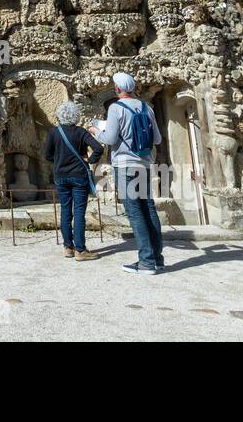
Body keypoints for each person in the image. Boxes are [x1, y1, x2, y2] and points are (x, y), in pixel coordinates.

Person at [88, 72, 164, 274]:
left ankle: (146, 262)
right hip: (145, 164)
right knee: (148, 208)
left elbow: (111, 138)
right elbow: (157, 139)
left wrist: (96, 131)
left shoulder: (115, 108)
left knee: (134, 211)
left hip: (125, 165)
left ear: (117, 89)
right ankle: (157, 257)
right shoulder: (146, 107)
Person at [43, 100, 103, 261]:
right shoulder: (81, 132)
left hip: (60, 177)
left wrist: (58, 161)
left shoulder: (54, 132)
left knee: (65, 211)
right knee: (79, 212)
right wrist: (90, 161)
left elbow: (47, 155)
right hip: (79, 177)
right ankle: (80, 250)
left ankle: (68, 247)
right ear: (76, 116)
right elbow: (99, 148)